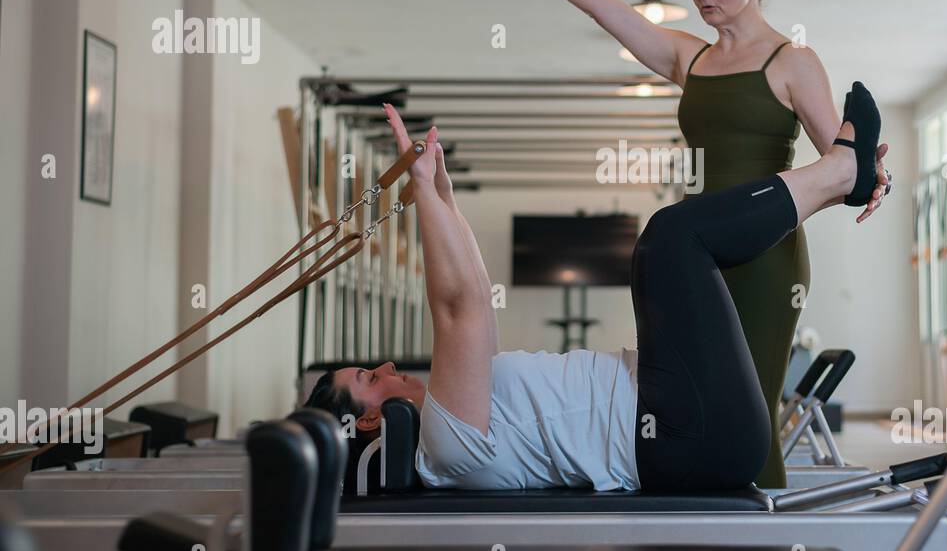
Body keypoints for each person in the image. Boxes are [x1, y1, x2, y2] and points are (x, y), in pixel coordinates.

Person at [486, 0, 890, 486]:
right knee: (686, 398)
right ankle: (703, 524)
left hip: (762, 253)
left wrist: (869, 174)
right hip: (692, 247)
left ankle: (765, 541)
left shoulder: (793, 62)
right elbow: (600, 4)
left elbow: (836, 154)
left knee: (749, 405)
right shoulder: (688, 57)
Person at [306, 84, 881, 491]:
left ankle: (839, 179)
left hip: (686, 422)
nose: (382, 367)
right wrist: (423, 195)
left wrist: (441, 195)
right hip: (690, 435)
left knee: (671, 241)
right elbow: (459, 308)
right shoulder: (442, 447)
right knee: (669, 239)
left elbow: (476, 294)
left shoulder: (450, 417)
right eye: (367, 379)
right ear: (369, 422)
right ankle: (840, 172)